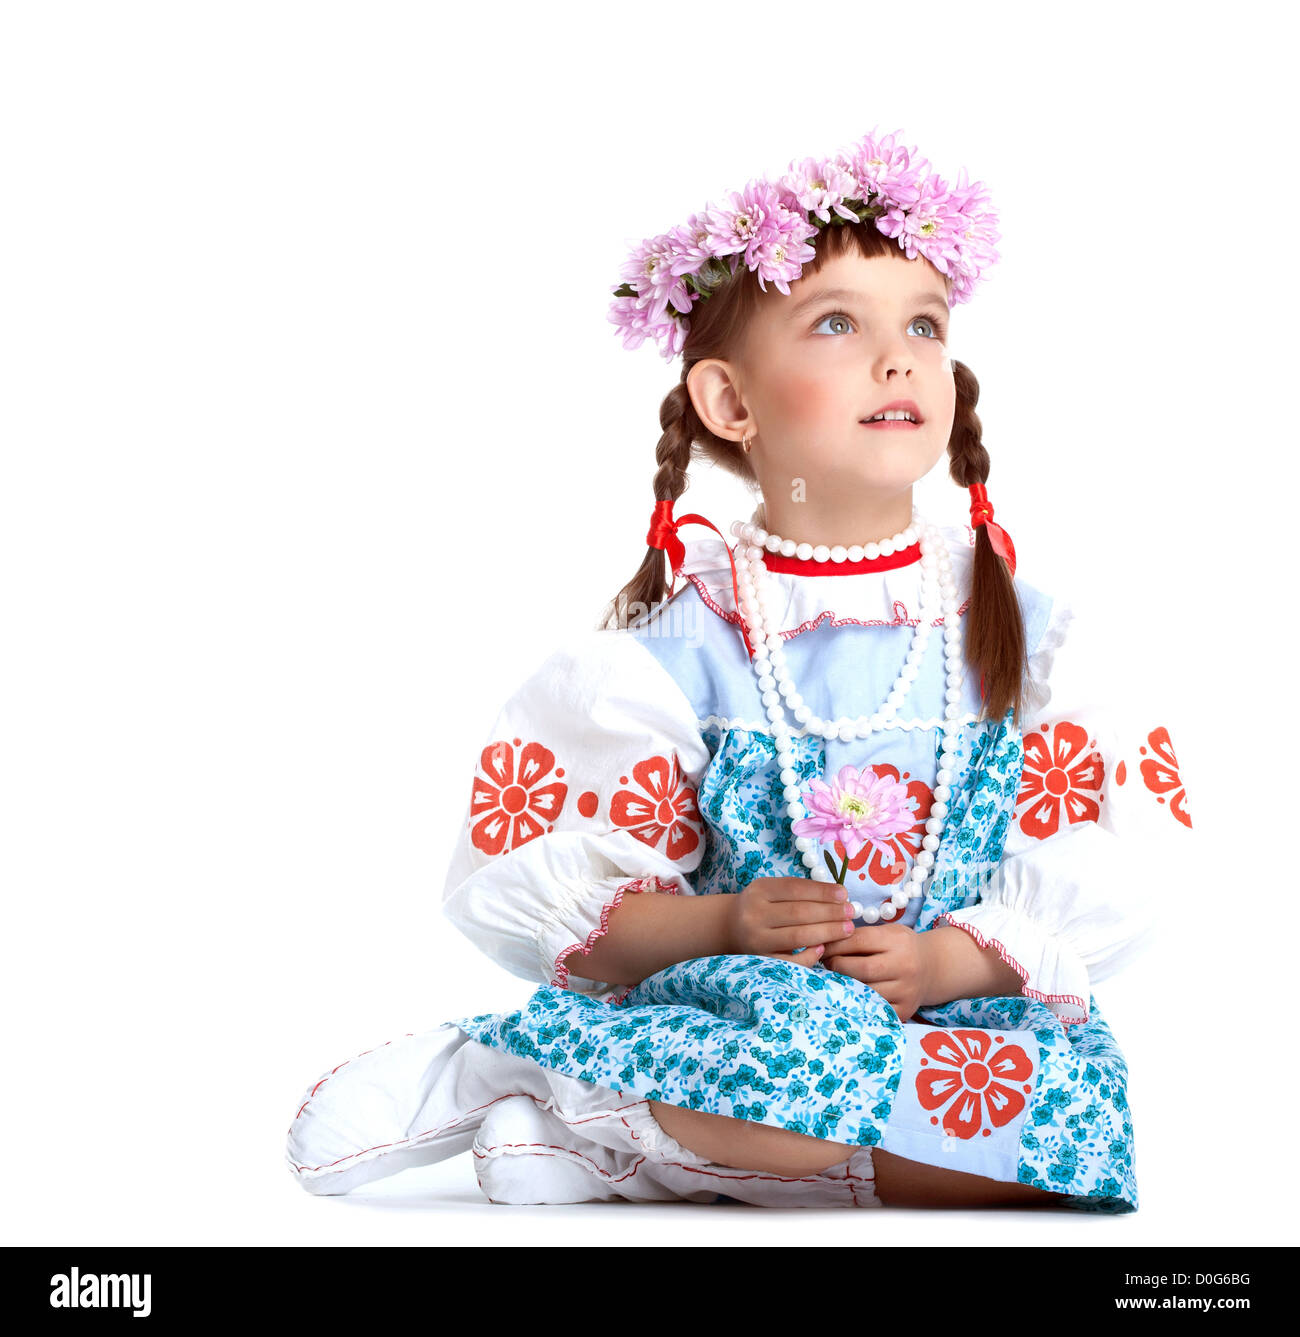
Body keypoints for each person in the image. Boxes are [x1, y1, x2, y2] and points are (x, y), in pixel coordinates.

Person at [284, 127, 1194, 1211]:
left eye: (922, 324)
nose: (898, 355)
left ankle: (621, 1144)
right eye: (836, 324)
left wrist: (954, 964)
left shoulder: (1023, 633)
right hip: (753, 1013)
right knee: (818, 1056)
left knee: (1077, 1138)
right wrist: (722, 924)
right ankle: (521, 1062)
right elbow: (556, 882)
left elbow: (1118, 851)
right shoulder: (682, 644)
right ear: (730, 403)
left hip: (948, 1015)